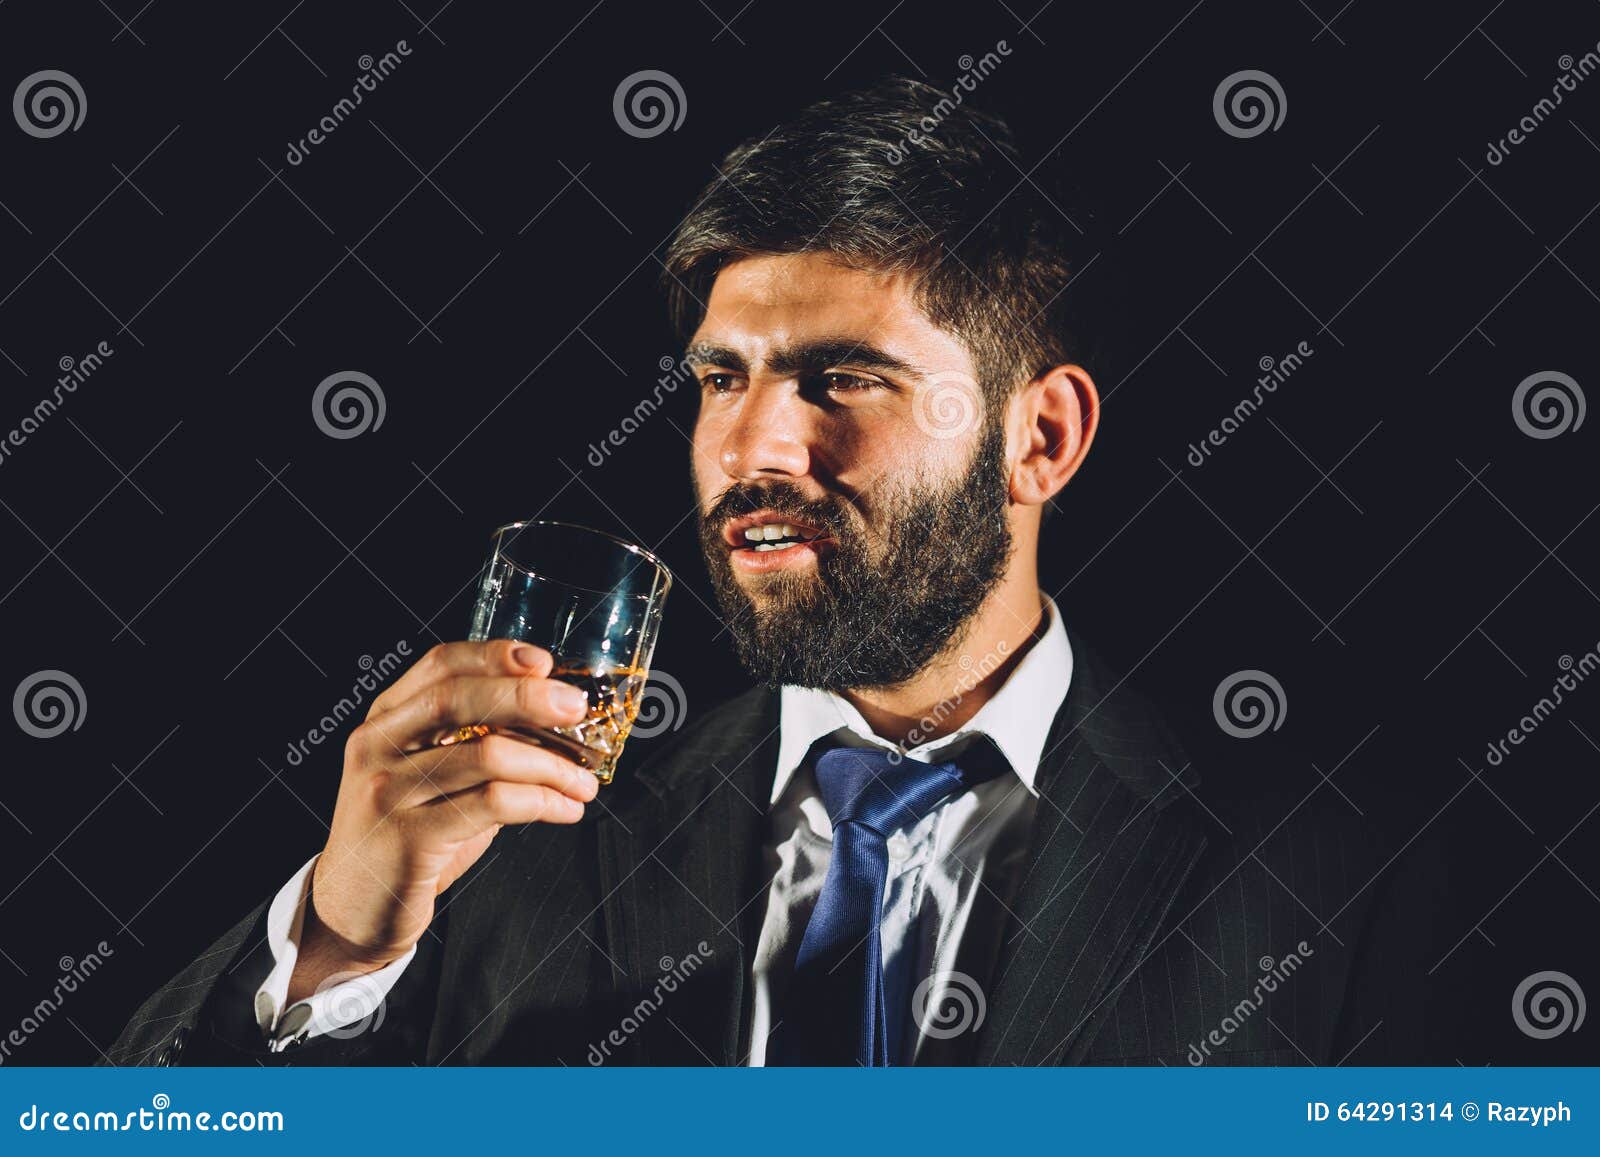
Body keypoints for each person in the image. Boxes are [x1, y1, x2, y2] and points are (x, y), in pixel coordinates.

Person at [107, 77, 1451, 1067]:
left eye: (841, 379)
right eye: (721, 379)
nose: (751, 446)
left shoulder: (1333, 873)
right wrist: (341, 935)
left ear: (1041, 437)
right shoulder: (516, 847)